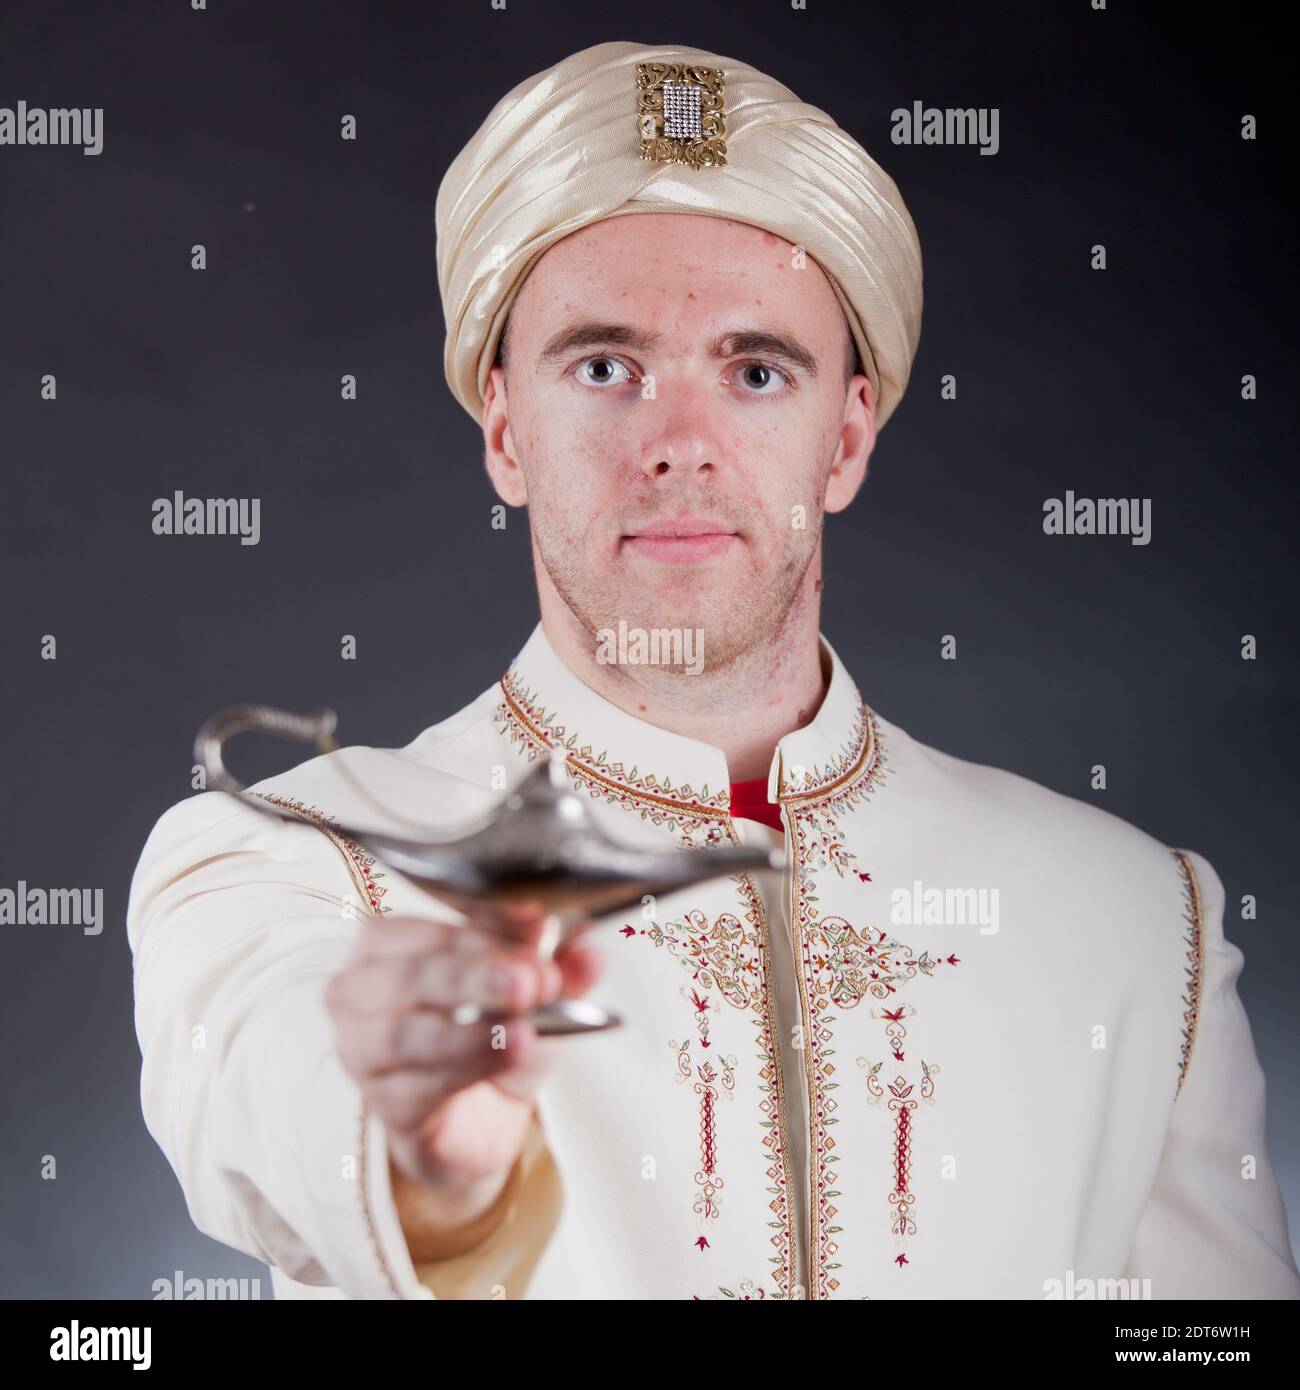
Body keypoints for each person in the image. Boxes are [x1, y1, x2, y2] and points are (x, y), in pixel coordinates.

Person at [127, 40, 1300, 1300]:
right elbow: (267, 1075)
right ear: (506, 428)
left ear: (844, 437)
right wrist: (429, 1161)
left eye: (753, 371)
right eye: (602, 366)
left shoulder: (1138, 921)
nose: (678, 445)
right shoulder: (291, 854)